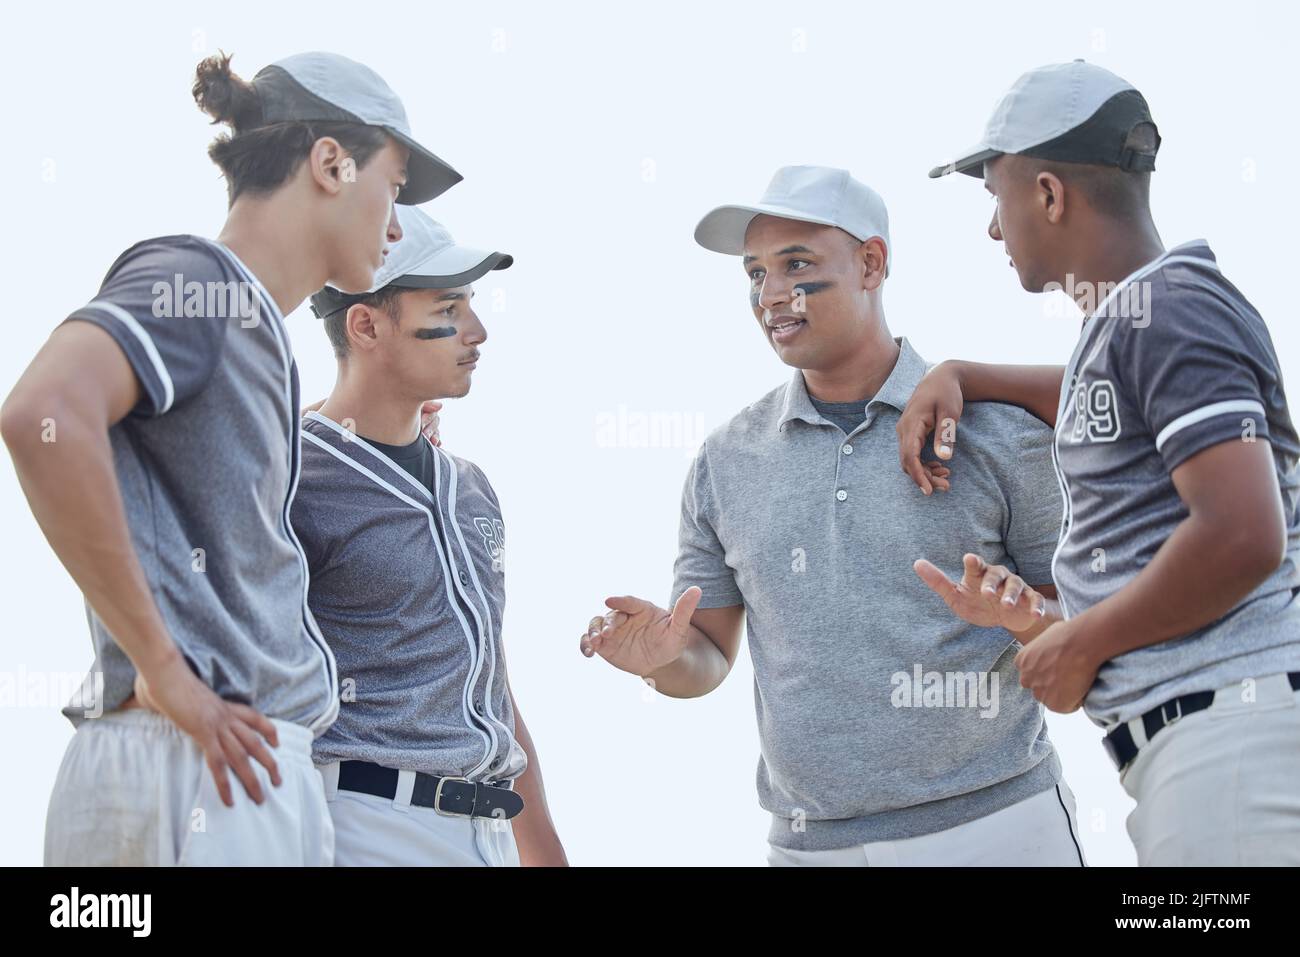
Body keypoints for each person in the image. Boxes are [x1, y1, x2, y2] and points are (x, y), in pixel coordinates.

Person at [2, 50, 458, 865]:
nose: (396, 226)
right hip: (203, 765)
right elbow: (43, 415)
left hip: (218, 763)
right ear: (330, 163)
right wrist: (164, 668)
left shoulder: (252, 331)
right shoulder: (203, 282)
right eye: (391, 188)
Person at [581, 166, 1085, 866]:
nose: (770, 295)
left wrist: (1024, 615)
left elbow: (1086, 632)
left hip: (997, 829)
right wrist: (663, 661)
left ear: (873, 263)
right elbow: (709, 656)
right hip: (809, 849)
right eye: (755, 272)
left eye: (797, 264)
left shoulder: (996, 433)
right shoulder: (726, 459)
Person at [901, 60, 1300, 865]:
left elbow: (1244, 532)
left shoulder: (1171, 312)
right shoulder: (1135, 324)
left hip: (1232, 744)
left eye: (996, 200)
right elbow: (1097, 400)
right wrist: (965, 373)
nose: (992, 231)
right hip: (1205, 751)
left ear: (1048, 195)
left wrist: (1082, 641)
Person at [299, 206, 567, 866]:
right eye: (450, 307)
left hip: (488, 833)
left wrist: (546, 853)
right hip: (361, 826)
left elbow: (489, 683)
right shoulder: (292, 476)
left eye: (471, 302)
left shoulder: (472, 486)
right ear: (364, 325)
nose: (477, 331)